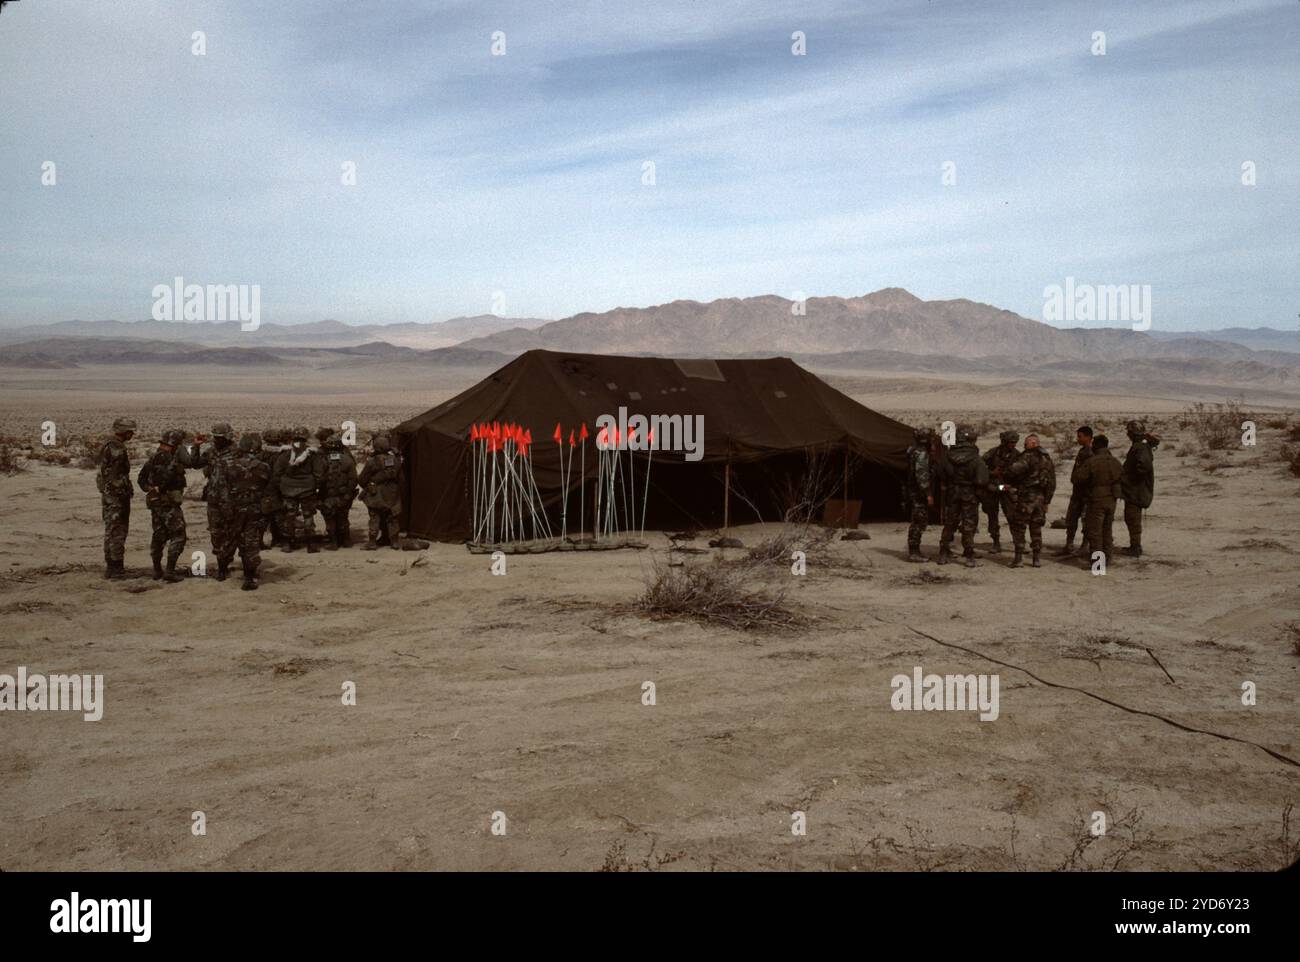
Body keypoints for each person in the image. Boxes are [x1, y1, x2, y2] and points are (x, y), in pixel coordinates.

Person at [136, 428, 189, 582]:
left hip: (155, 503)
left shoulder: (153, 457)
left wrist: (151, 490)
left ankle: (157, 570)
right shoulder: (170, 460)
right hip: (168, 503)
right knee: (179, 535)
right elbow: (169, 479)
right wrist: (162, 488)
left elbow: (141, 479)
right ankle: (170, 571)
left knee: (159, 535)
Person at [936, 425, 989, 567]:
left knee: (950, 523)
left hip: (952, 493)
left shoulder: (947, 456)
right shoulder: (976, 458)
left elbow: (940, 473)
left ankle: (943, 553)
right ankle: (969, 556)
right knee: (969, 525)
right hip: (969, 494)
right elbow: (982, 480)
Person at [1004, 433, 1056, 568]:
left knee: (1019, 527)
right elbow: (1052, 482)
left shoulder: (1027, 456)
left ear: (1031, 444)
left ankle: (1019, 559)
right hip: (1041, 498)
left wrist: (1010, 481)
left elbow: (1012, 471)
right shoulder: (1047, 458)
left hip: (1027, 497)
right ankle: (1036, 559)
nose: (1024, 446)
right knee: (1036, 528)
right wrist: (1047, 501)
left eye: (1026, 444)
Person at [1071, 433, 1123, 569]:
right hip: (1112, 500)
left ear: (1096, 446)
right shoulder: (1115, 461)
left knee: (1095, 532)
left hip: (1096, 499)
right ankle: (1108, 558)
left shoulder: (1092, 462)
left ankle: (1098, 564)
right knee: (1107, 530)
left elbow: (1076, 478)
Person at [272, 426, 325, 553]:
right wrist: (316, 487)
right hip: (308, 489)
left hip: (288, 490)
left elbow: (277, 472)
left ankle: (287, 544)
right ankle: (311, 545)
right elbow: (319, 473)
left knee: (289, 517)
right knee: (308, 516)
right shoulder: (312, 454)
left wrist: (283, 486)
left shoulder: (285, 454)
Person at [229, 435, 272, 589]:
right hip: (255, 510)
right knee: (252, 542)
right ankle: (249, 577)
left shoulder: (230, 466)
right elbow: (269, 489)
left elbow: (223, 489)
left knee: (240, 541)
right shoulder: (263, 467)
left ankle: (234, 571)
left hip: (235, 510)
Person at [97, 416, 137, 579]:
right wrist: (122, 490)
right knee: (117, 530)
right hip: (116, 496)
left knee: (111, 530)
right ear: (123, 431)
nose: (132, 435)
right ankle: (115, 568)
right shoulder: (116, 448)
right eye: (130, 431)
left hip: (110, 494)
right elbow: (115, 476)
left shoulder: (110, 444)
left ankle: (112, 566)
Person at [1121, 419, 1158, 557]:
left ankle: (1135, 547)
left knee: (1132, 518)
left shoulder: (1140, 447)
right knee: (1131, 518)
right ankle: (1134, 546)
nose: (1127, 434)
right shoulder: (1141, 446)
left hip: (1136, 491)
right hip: (1136, 490)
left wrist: (1130, 479)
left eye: (1129, 431)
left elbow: (1143, 467)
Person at [359, 435, 403, 551]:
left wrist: (369, 486)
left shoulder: (372, 462)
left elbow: (362, 479)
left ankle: (372, 543)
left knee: (374, 518)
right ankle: (394, 542)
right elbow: (401, 479)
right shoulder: (396, 461)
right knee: (392, 518)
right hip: (393, 494)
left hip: (376, 495)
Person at [981, 430, 1020, 553]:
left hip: (1007, 490)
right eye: (1010, 443)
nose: (1013, 445)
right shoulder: (992, 453)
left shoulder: (1018, 455)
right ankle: (996, 543)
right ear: (1003, 442)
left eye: (1014, 443)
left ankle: (1018, 543)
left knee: (1013, 517)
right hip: (993, 489)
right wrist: (992, 473)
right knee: (993, 517)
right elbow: (979, 468)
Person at [1057, 425, 1093, 556]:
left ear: (1088, 437)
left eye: (1080, 436)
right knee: (1071, 519)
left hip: (1086, 493)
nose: (1078, 439)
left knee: (1086, 521)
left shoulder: (1090, 453)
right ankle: (1069, 545)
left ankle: (1084, 546)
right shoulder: (1082, 451)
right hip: (1077, 493)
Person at [318, 433, 359, 550]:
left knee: (329, 519)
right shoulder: (348, 460)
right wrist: (348, 495)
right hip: (344, 495)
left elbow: (318, 478)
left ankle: (333, 542)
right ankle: (346, 541)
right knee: (343, 517)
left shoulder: (322, 461)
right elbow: (353, 479)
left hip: (328, 495)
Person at [904, 427, 935, 562]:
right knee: (919, 520)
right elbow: (922, 476)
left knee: (917, 519)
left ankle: (915, 551)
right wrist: (928, 494)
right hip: (919, 492)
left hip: (913, 490)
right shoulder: (921, 454)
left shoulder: (912, 450)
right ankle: (914, 552)